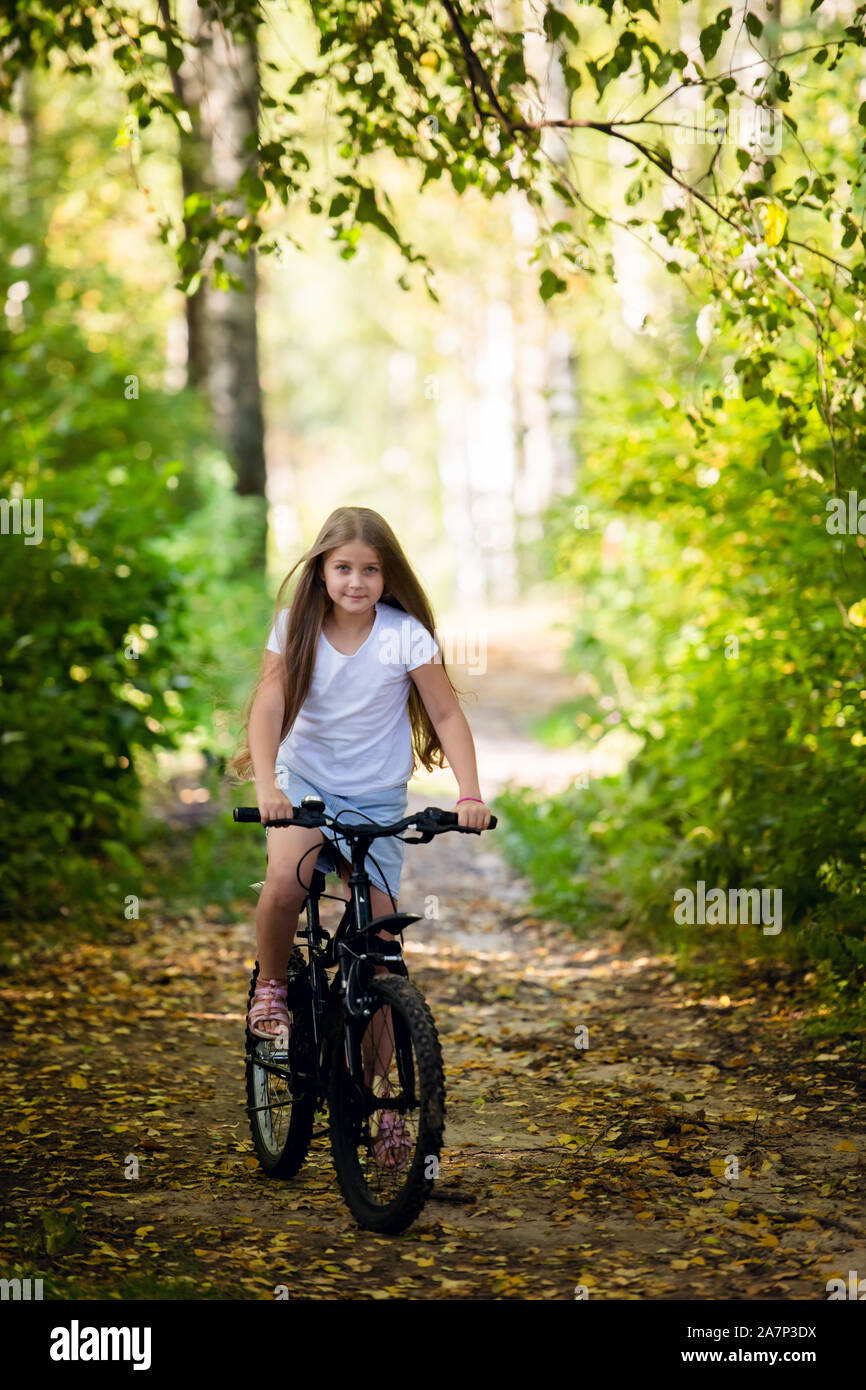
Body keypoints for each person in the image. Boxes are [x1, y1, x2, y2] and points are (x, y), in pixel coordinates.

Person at [227, 507, 492, 1157]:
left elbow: (447, 714)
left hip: (375, 795)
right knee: (289, 885)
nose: (356, 581)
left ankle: (378, 1105)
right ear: (320, 569)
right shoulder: (296, 628)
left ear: (387, 575)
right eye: (343, 567)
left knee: (378, 946)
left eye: (370, 570)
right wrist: (269, 786)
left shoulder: (404, 636)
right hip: (306, 784)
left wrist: (469, 793)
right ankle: (270, 985)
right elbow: (267, 706)